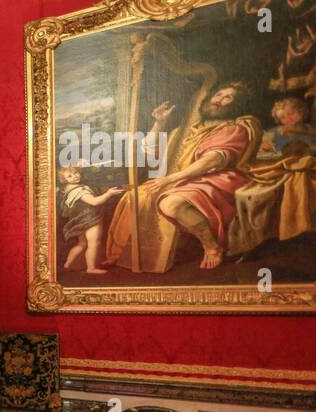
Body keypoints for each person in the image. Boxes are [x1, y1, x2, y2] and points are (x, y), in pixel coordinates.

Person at [105, 83, 262, 271]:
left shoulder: (234, 128)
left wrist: (169, 180)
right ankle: (124, 253)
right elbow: (150, 154)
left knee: (171, 204)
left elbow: (212, 162)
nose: (219, 99)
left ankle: (212, 246)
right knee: (136, 195)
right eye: (218, 94)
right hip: (187, 179)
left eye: (228, 97)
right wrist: (159, 123)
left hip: (220, 178)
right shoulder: (189, 130)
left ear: (236, 105)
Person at [229, 95, 316, 256]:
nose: (288, 119)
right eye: (283, 117)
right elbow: (263, 153)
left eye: (291, 114)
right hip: (278, 166)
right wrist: (275, 152)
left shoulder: (311, 131)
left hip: (305, 166)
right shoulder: (274, 133)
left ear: (302, 112)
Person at [58, 164, 124, 273]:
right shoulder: (79, 191)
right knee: (94, 243)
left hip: (80, 220)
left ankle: (67, 263)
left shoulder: (70, 189)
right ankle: (91, 268)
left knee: (82, 244)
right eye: (70, 176)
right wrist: (109, 194)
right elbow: (95, 202)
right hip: (90, 219)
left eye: (76, 173)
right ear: (64, 180)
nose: (74, 176)